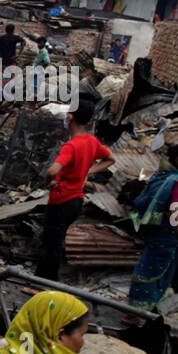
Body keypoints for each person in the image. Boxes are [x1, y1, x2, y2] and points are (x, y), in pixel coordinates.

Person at [37, 100, 115, 282]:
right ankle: (42, 280)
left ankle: (44, 283)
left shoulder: (71, 146)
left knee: (51, 244)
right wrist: (88, 171)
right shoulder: (92, 141)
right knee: (55, 241)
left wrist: (48, 182)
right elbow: (111, 159)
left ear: (70, 117)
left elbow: (52, 170)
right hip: (76, 200)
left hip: (61, 200)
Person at [128, 142, 178, 309]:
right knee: (154, 273)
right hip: (168, 238)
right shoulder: (177, 182)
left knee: (162, 271)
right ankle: (138, 312)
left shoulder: (161, 175)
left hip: (160, 235)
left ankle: (156, 308)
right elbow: (175, 214)